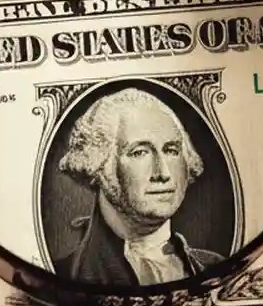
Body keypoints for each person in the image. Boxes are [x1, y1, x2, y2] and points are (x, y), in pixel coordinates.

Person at [53, 87, 223, 287]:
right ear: (98, 164)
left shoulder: (216, 267)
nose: (163, 173)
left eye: (171, 150)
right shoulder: (63, 277)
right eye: (139, 153)